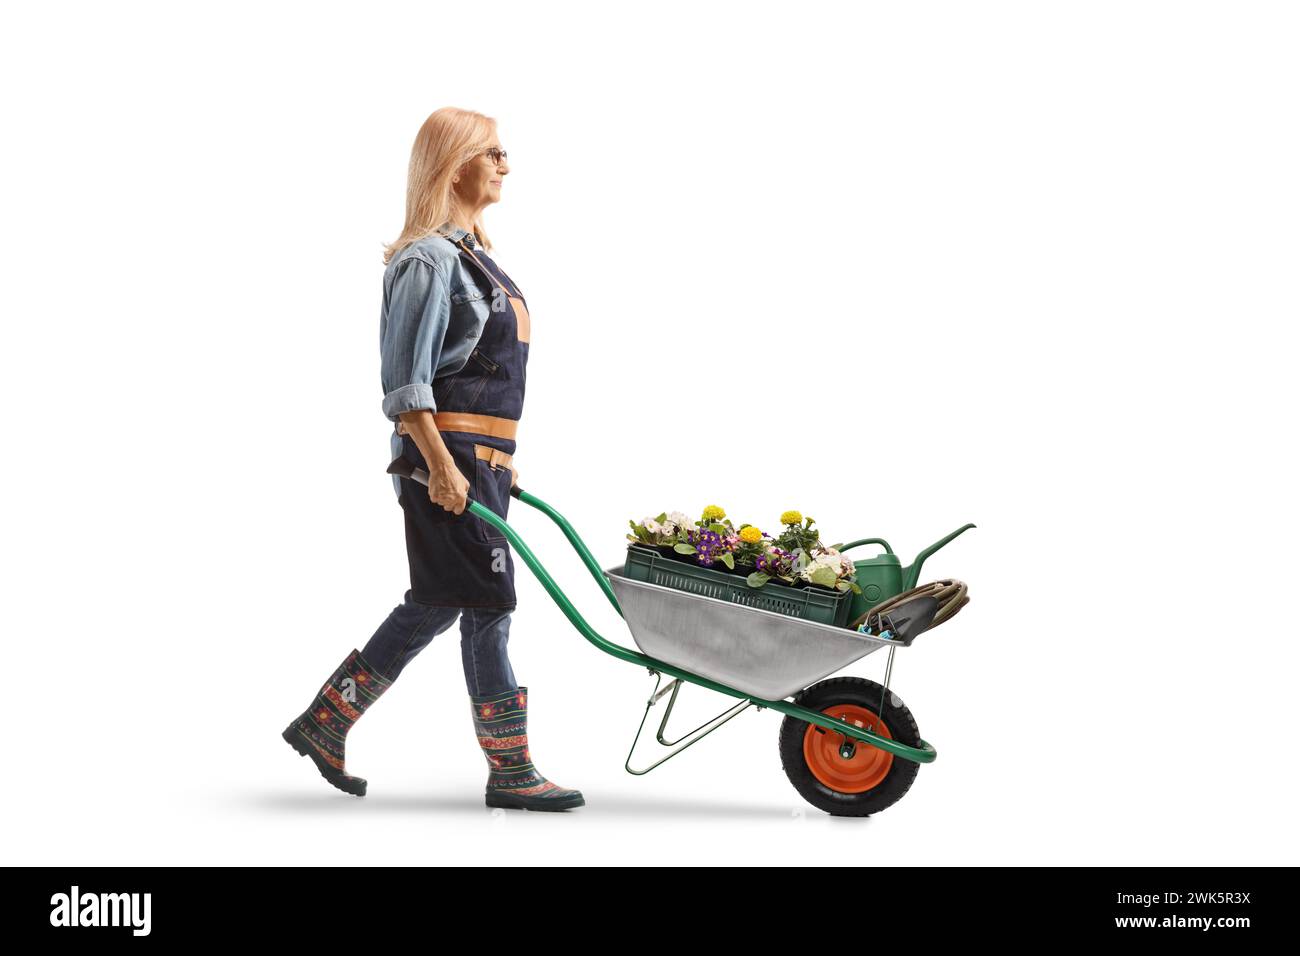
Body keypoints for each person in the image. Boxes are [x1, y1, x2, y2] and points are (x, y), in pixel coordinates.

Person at [281, 107, 583, 812]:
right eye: (494, 152)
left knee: (448, 602)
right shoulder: (428, 260)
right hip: (443, 463)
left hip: (481, 462)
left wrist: (498, 462)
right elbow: (406, 384)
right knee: (487, 605)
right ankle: (510, 770)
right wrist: (445, 466)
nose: (506, 164)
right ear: (454, 166)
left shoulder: (478, 257)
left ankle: (326, 722)